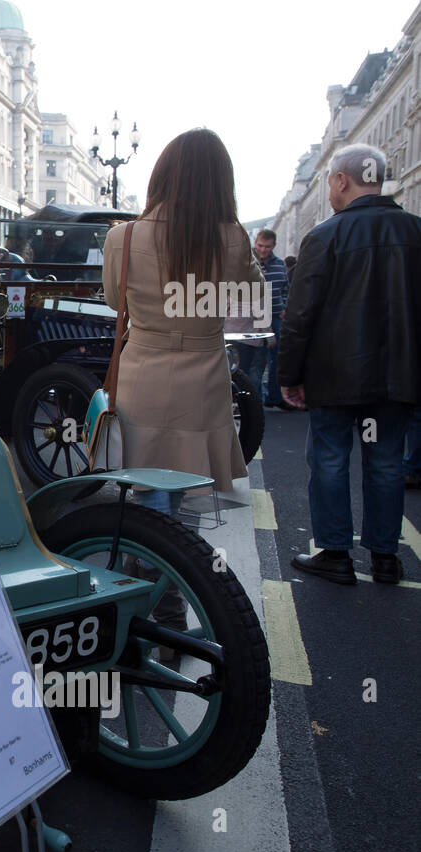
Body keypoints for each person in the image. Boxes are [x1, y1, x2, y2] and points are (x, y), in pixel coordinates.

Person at [102, 128, 263, 629]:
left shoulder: (124, 236)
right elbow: (251, 302)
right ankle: (167, 601)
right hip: (203, 384)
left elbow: (114, 302)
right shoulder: (232, 238)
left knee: (146, 495)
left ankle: (140, 589)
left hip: (143, 376)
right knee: (188, 500)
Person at [280, 143, 421, 586]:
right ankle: (385, 558)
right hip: (398, 375)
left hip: (336, 375)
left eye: (329, 182)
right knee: (386, 462)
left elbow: (300, 316)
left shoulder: (325, 236)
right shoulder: (416, 231)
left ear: (341, 180)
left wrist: (289, 375)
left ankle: (336, 553)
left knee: (330, 460)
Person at [236, 228, 290, 410]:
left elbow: (285, 288)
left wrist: (284, 307)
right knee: (256, 362)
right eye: (260, 245)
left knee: (277, 360)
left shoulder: (280, 265)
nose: (263, 249)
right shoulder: (249, 264)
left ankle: (274, 396)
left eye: (267, 246)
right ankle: (254, 400)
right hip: (254, 320)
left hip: (275, 316)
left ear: (273, 246)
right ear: (255, 244)